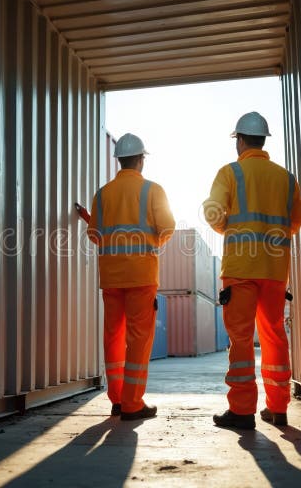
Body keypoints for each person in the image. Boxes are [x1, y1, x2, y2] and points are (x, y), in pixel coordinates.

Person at [202, 112, 301, 430]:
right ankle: (277, 408)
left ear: (239, 141)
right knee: (274, 335)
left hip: (240, 268)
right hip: (274, 269)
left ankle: (242, 411)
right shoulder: (286, 178)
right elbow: (293, 224)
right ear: (263, 140)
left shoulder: (230, 173)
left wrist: (226, 225)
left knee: (240, 339)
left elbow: (212, 211)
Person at [87, 133, 176, 421]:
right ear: (141, 160)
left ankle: (117, 399)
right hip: (141, 276)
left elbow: (94, 234)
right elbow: (167, 227)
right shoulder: (153, 190)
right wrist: (151, 246)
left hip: (111, 278)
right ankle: (132, 403)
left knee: (113, 337)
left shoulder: (102, 194)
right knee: (138, 339)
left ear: (119, 161)